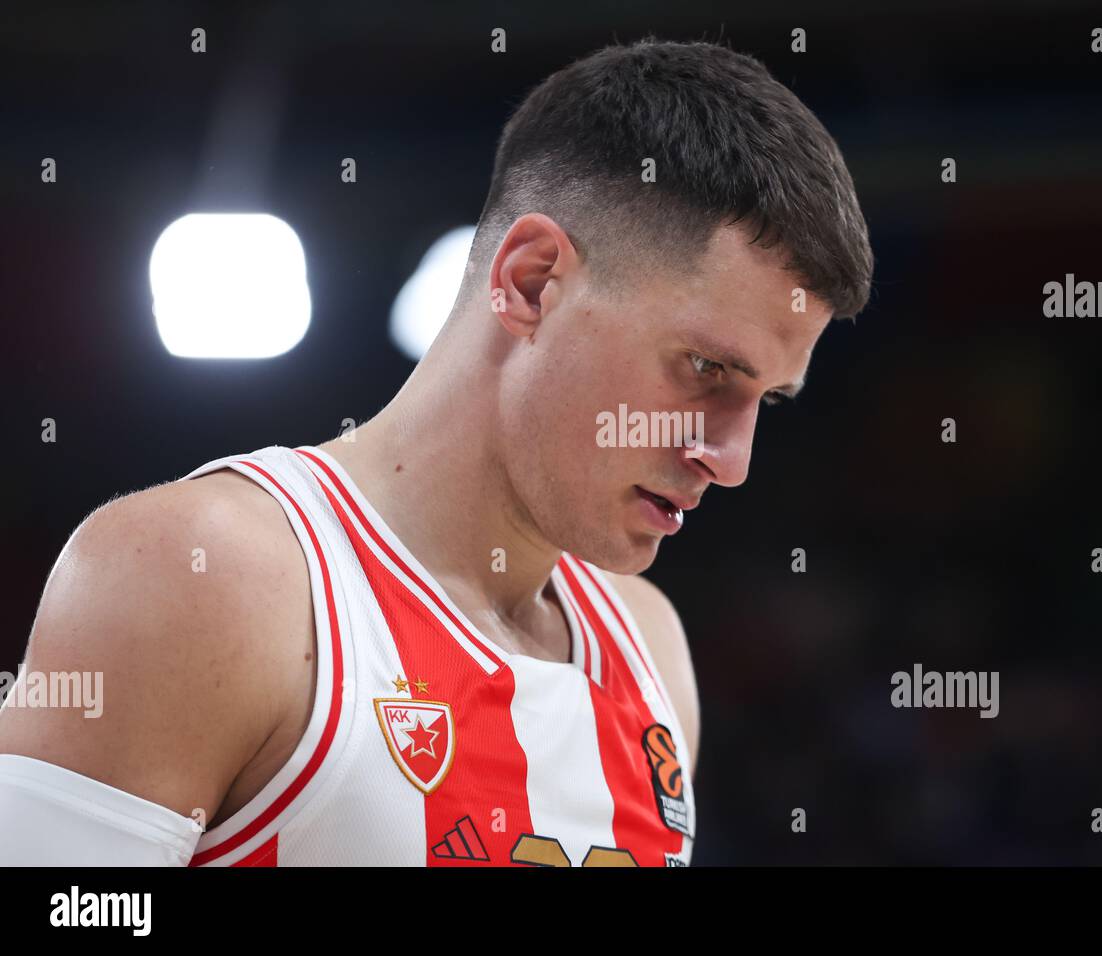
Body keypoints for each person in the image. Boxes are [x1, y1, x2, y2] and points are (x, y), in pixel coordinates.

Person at [0, 37, 873, 866]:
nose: (733, 456)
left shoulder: (650, 648)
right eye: (707, 368)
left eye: (767, 400)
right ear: (532, 282)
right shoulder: (205, 577)